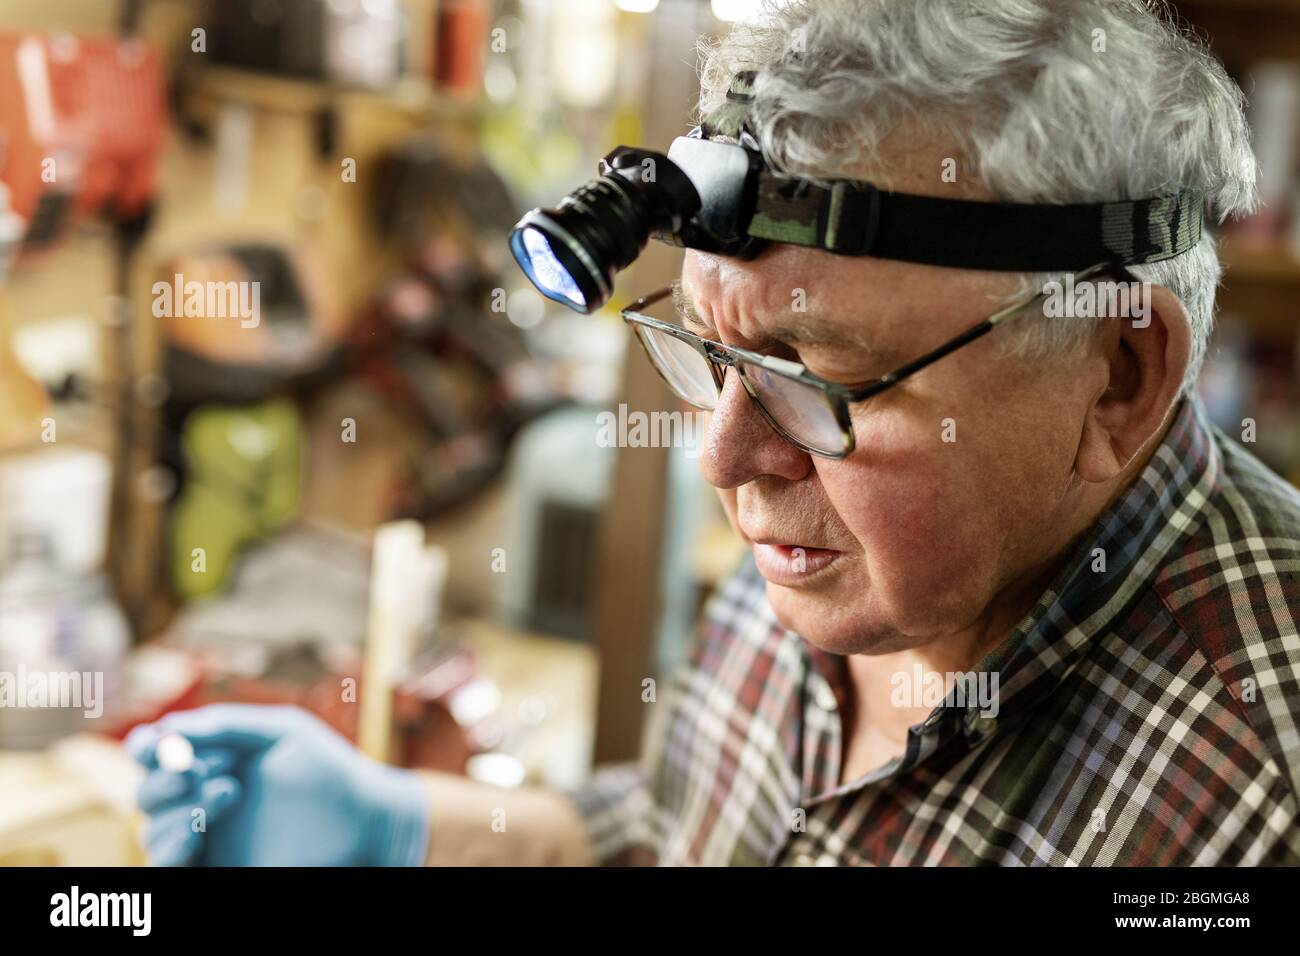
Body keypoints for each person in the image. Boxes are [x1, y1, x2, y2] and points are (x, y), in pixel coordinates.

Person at [129, 0, 1300, 866]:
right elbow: (688, 828)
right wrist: (412, 831)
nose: (726, 459)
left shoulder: (1255, 795)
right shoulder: (840, 546)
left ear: (1117, 374)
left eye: (822, 376)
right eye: (713, 353)